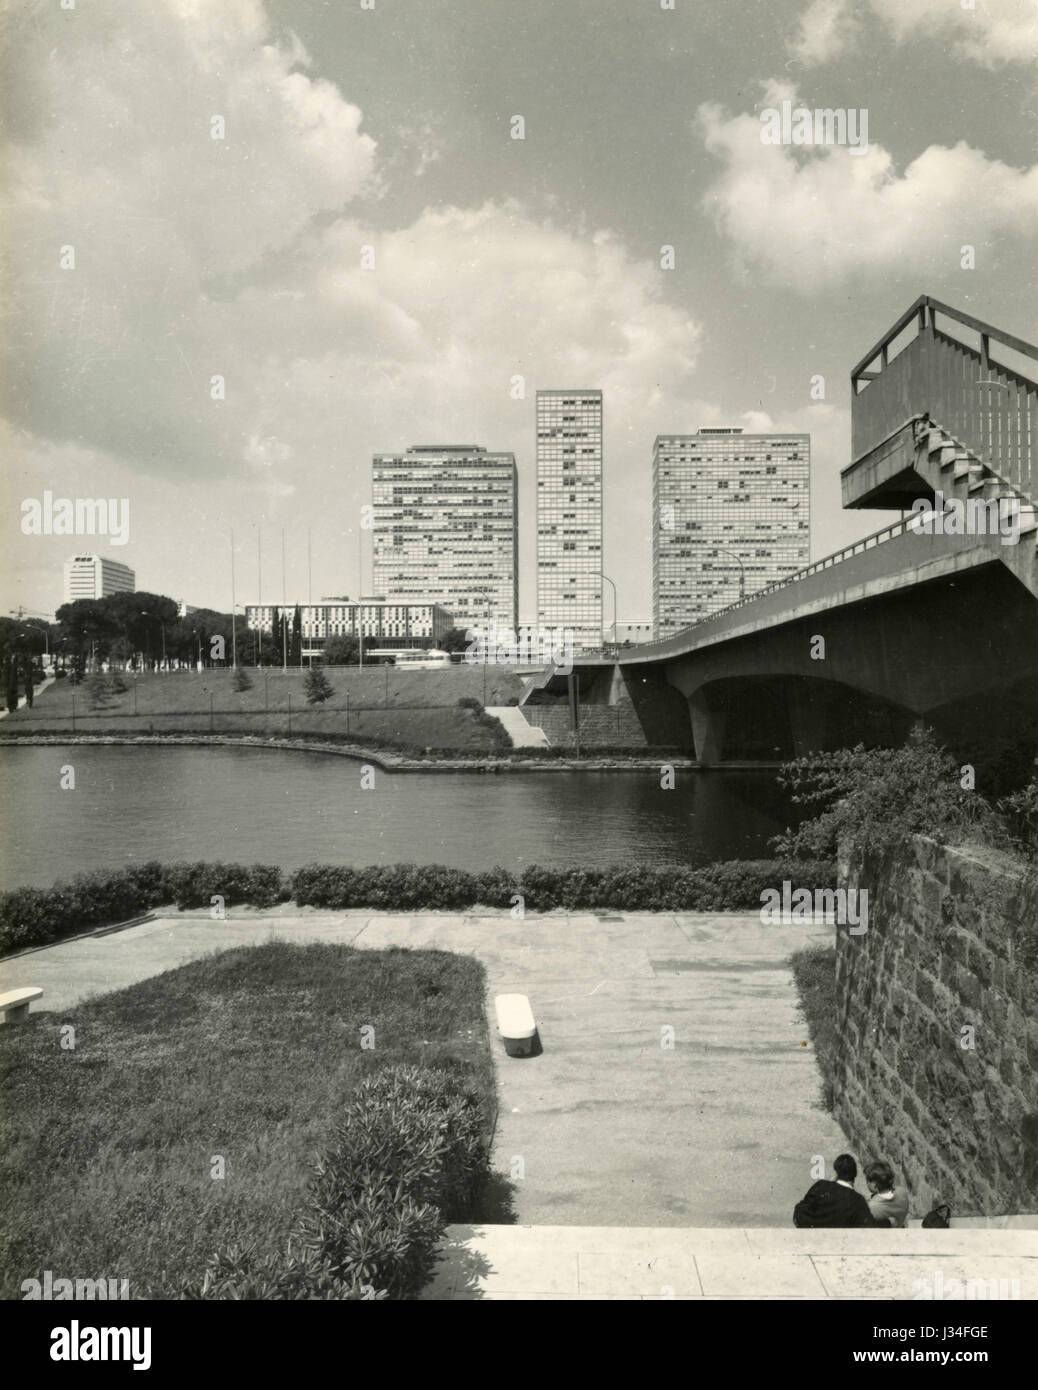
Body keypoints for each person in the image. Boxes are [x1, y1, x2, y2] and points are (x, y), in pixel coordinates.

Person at [793, 1153, 879, 1227]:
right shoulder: (858, 1201)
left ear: (836, 1173)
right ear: (855, 1174)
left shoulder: (821, 1186)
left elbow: (800, 1211)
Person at [864, 1160, 909, 1228]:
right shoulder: (902, 1193)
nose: (866, 1183)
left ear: (874, 1184)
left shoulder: (872, 1207)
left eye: (867, 1180)